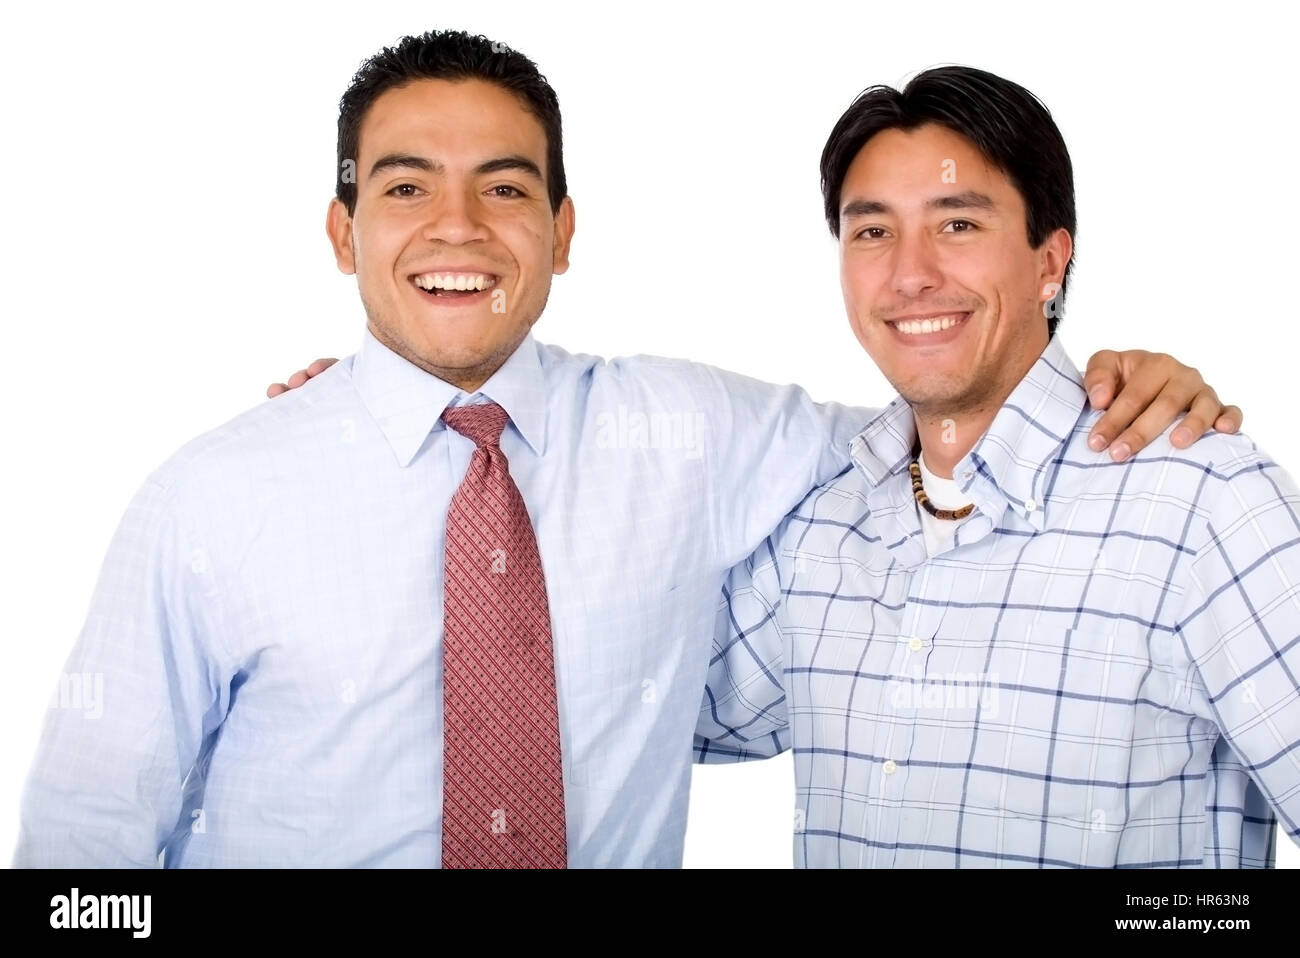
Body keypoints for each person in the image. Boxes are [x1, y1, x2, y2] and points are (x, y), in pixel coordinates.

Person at [14, 32, 1238, 869]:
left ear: (561, 229)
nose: (456, 227)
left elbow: (936, 419)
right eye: (404, 190)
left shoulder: (696, 435)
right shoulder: (214, 499)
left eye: (503, 190)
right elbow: (82, 854)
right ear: (343, 232)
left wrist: (1098, 380)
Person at [695, 65, 1296, 868]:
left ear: (1050, 263)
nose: (910, 274)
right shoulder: (822, 519)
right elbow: (643, 716)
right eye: (872, 230)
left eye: (958, 225)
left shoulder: (1206, 502)